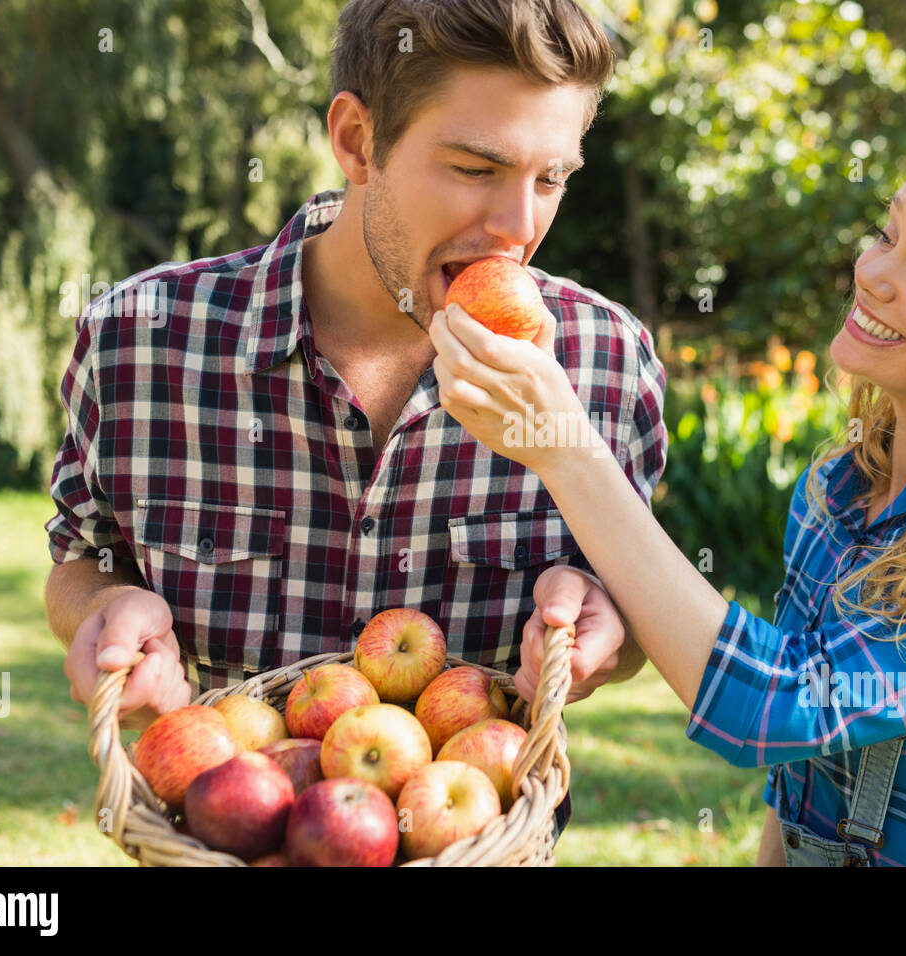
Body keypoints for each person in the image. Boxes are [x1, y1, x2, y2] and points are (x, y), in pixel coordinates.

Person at [429, 121, 906, 866]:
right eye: (887, 235)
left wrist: (567, 451)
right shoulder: (839, 489)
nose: (873, 271)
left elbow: (779, 705)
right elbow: (800, 770)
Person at [42, 0, 666, 792]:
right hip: (226, 835)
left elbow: (639, 612)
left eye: (552, 178)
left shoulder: (605, 362)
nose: (519, 227)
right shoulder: (141, 340)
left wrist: (606, 632)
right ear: (356, 140)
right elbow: (81, 554)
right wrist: (109, 612)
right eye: (476, 169)